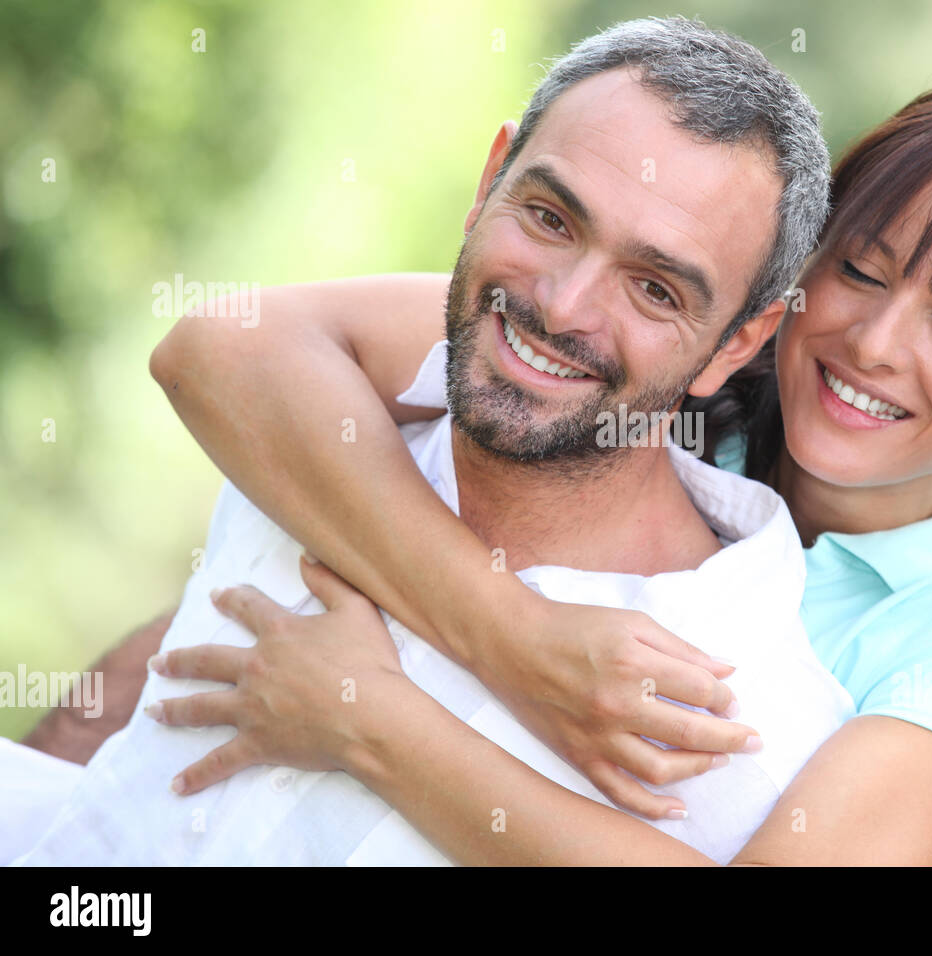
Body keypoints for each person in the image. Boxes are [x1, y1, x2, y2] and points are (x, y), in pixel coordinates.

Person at [128, 85, 932, 865]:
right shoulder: (669, 347)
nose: (872, 341)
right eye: (859, 270)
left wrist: (371, 721)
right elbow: (230, 350)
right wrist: (518, 642)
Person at [9, 16, 864, 867]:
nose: (563, 308)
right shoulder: (326, 426)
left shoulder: (754, 727)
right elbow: (207, 349)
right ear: (490, 179)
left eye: (652, 288)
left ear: (738, 344)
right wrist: (514, 640)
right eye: (550, 218)